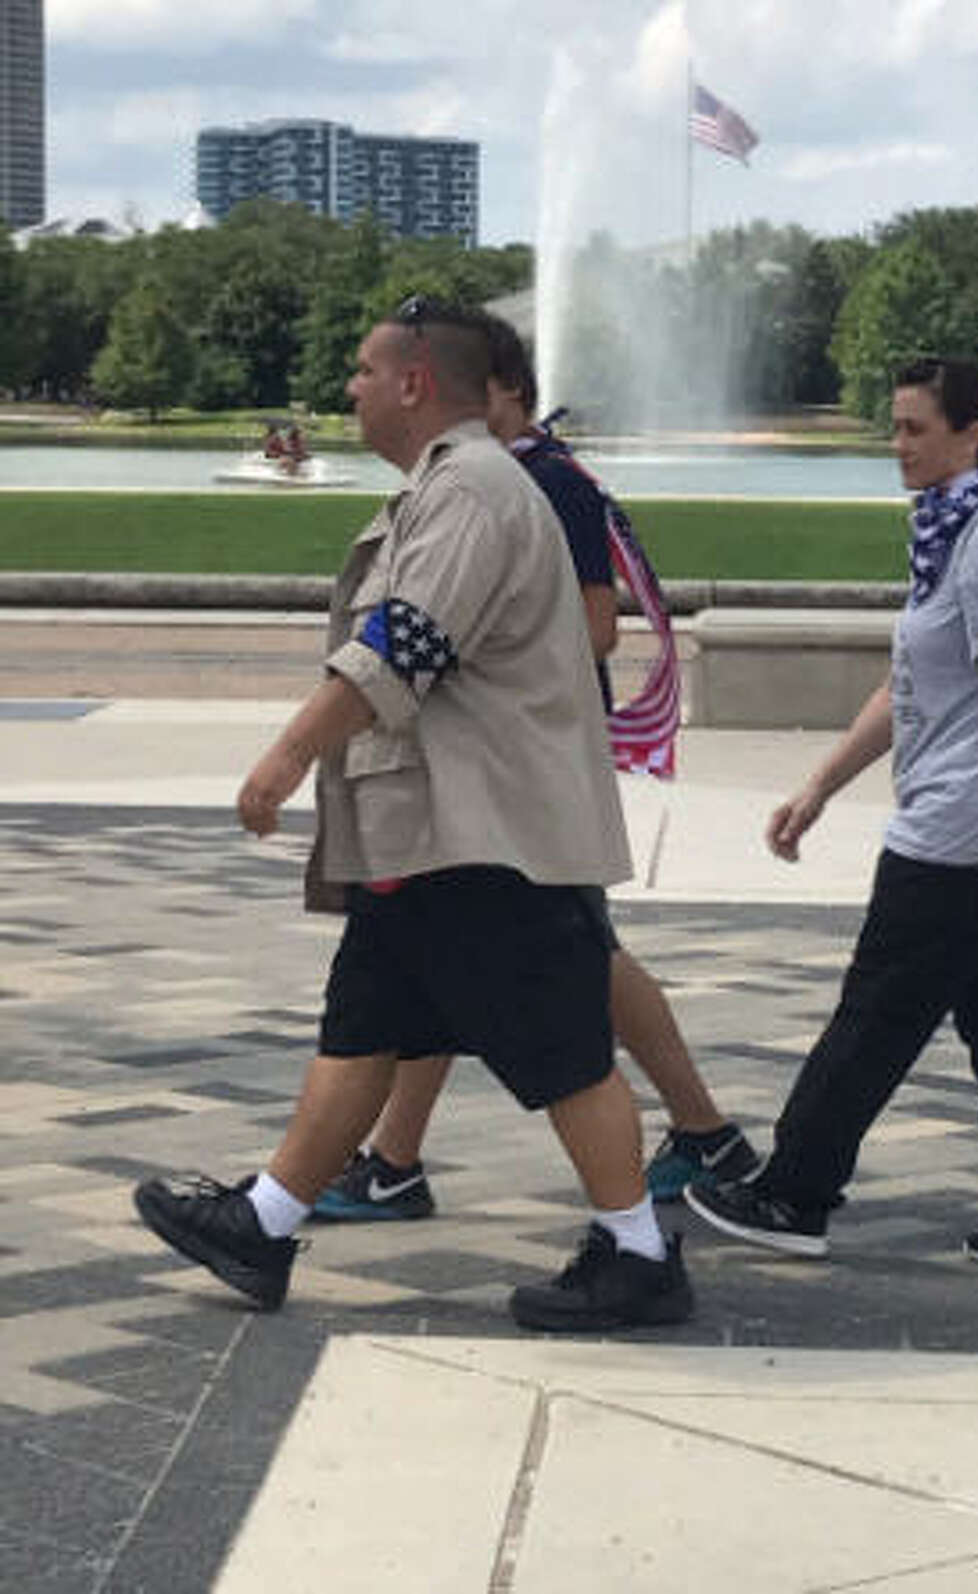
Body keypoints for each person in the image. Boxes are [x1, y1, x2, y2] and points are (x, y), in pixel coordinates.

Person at [132, 298, 694, 1332]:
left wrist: (289, 754)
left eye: (361, 370)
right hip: (438, 825)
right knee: (365, 1026)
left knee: (563, 1048)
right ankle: (264, 1221)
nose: (349, 387)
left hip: (485, 833)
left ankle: (639, 1254)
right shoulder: (454, 484)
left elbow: (406, 640)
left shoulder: (473, 490)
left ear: (414, 382)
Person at [311, 316, 757, 1223]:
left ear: (501, 391)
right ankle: (391, 1160)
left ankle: (689, 1150)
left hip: (520, 771)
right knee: (447, 966)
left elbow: (593, 628)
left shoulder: (540, 484)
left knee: (563, 974)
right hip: (500, 776)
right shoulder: (496, 480)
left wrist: (474, 654)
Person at [686, 357, 978, 1266]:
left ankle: (794, 1193)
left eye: (915, 428)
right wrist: (819, 786)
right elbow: (907, 686)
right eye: (894, 427)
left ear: (972, 434)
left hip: (962, 829)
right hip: (967, 824)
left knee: (876, 1014)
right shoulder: (947, 532)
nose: (898, 445)